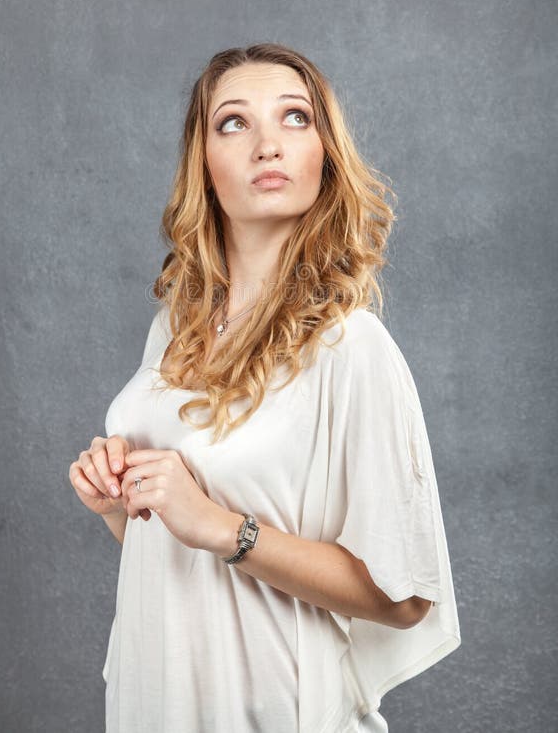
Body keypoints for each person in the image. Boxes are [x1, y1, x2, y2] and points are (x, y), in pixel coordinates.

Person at [68, 42, 461, 732]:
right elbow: (183, 559)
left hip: (275, 711)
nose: (268, 144)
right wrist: (117, 506)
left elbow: (405, 599)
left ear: (324, 155)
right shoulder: (175, 330)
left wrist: (223, 527)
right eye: (234, 122)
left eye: (294, 117)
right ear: (204, 164)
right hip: (157, 702)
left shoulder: (349, 345)